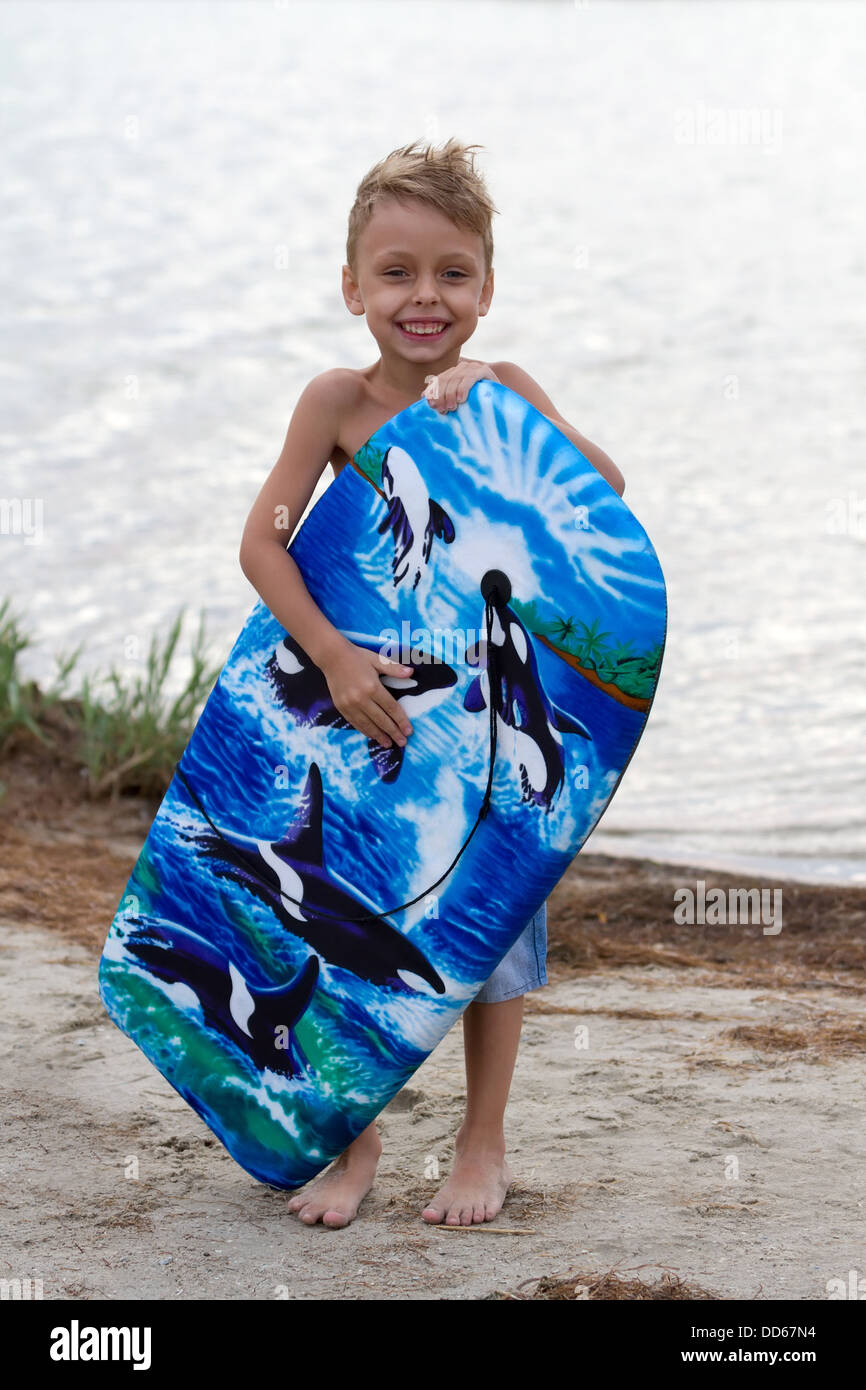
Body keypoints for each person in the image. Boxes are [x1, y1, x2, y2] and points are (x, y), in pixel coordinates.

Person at [238, 138, 624, 1228]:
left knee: (492, 931)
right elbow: (264, 544)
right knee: (337, 917)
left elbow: (604, 492)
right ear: (352, 286)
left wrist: (502, 424)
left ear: (486, 290)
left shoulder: (500, 390)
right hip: (357, 709)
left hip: (487, 717)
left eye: (451, 273)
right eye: (396, 272)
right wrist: (331, 655)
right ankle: (350, 1143)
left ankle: (480, 1143)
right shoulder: (335, 405)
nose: (424, 297)